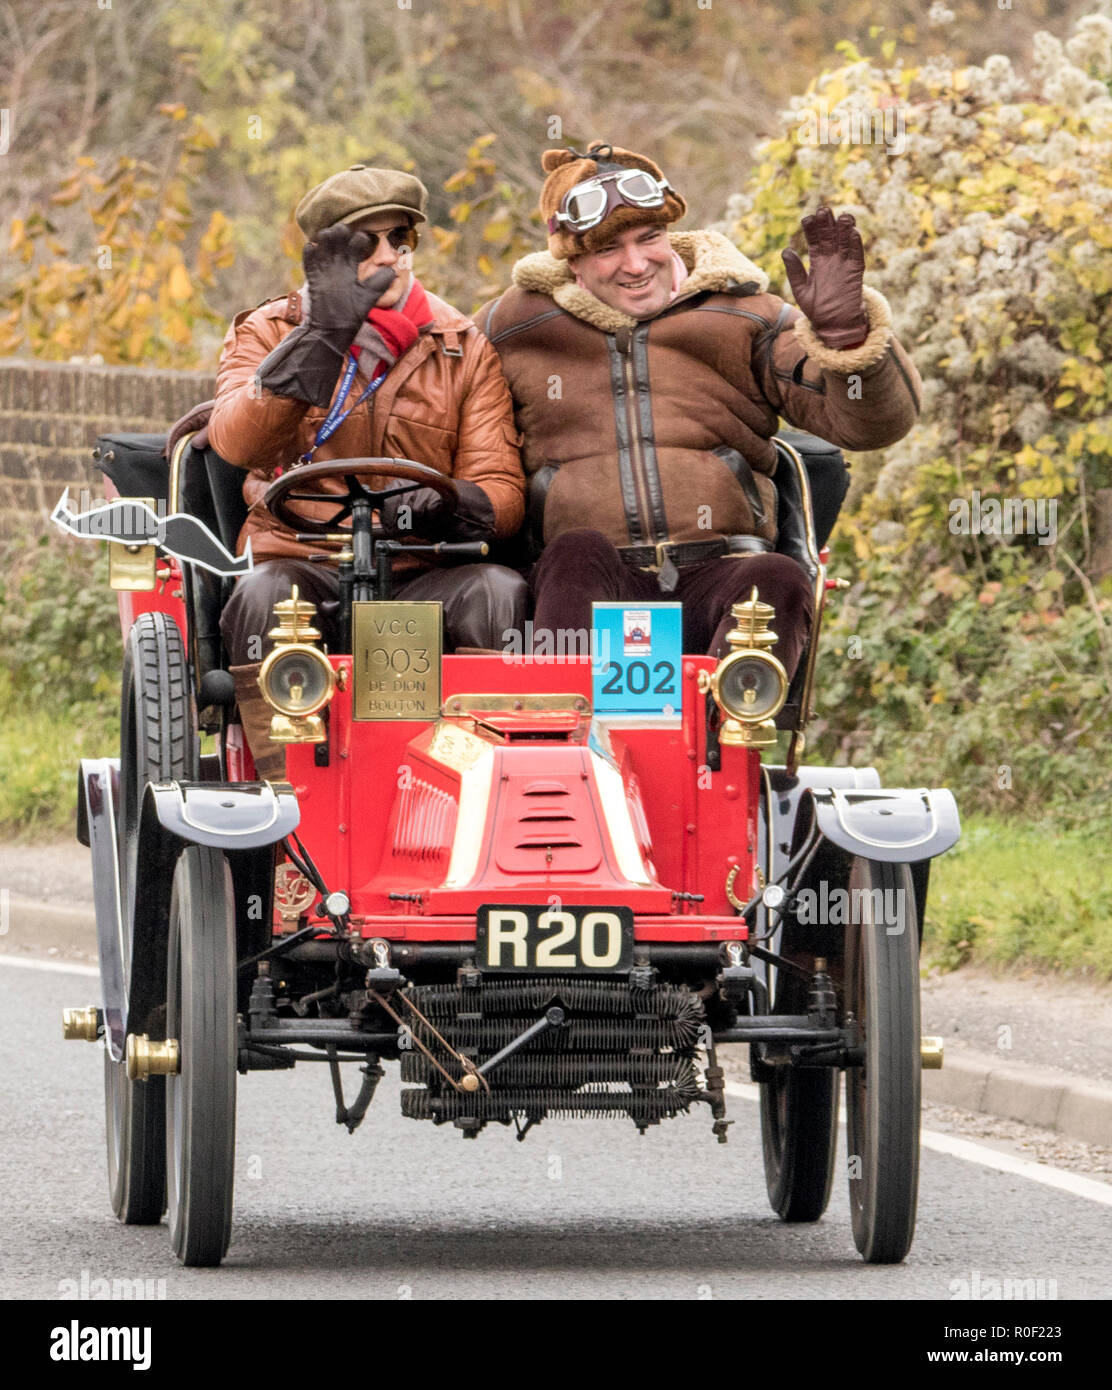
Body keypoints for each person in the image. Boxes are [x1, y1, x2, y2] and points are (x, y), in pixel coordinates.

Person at [476, 142, 924, 677]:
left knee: (777, 576)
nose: (637, 264)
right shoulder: (511, 327)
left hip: (719, 573)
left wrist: (849, 341)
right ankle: (562, 742)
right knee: (576, 553)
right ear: (570, 260)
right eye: (608, 250)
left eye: (649, 238)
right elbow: (435, 382)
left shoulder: (747, 316)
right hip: (588, 586)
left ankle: (721, 745)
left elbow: (871, 424)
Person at [203, 164, 527, 774]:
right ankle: (280, 791)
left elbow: (503, 492)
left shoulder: (464, 345)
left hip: (420, 568)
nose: (389, 257)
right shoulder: (269, 329)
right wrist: (322, 334)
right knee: (265, 595)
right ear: (322, 257)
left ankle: (479, 780)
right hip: (301, 557)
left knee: (497, 591)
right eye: (364, 243)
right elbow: (234, 441)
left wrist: (451, 503)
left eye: (400, 239)